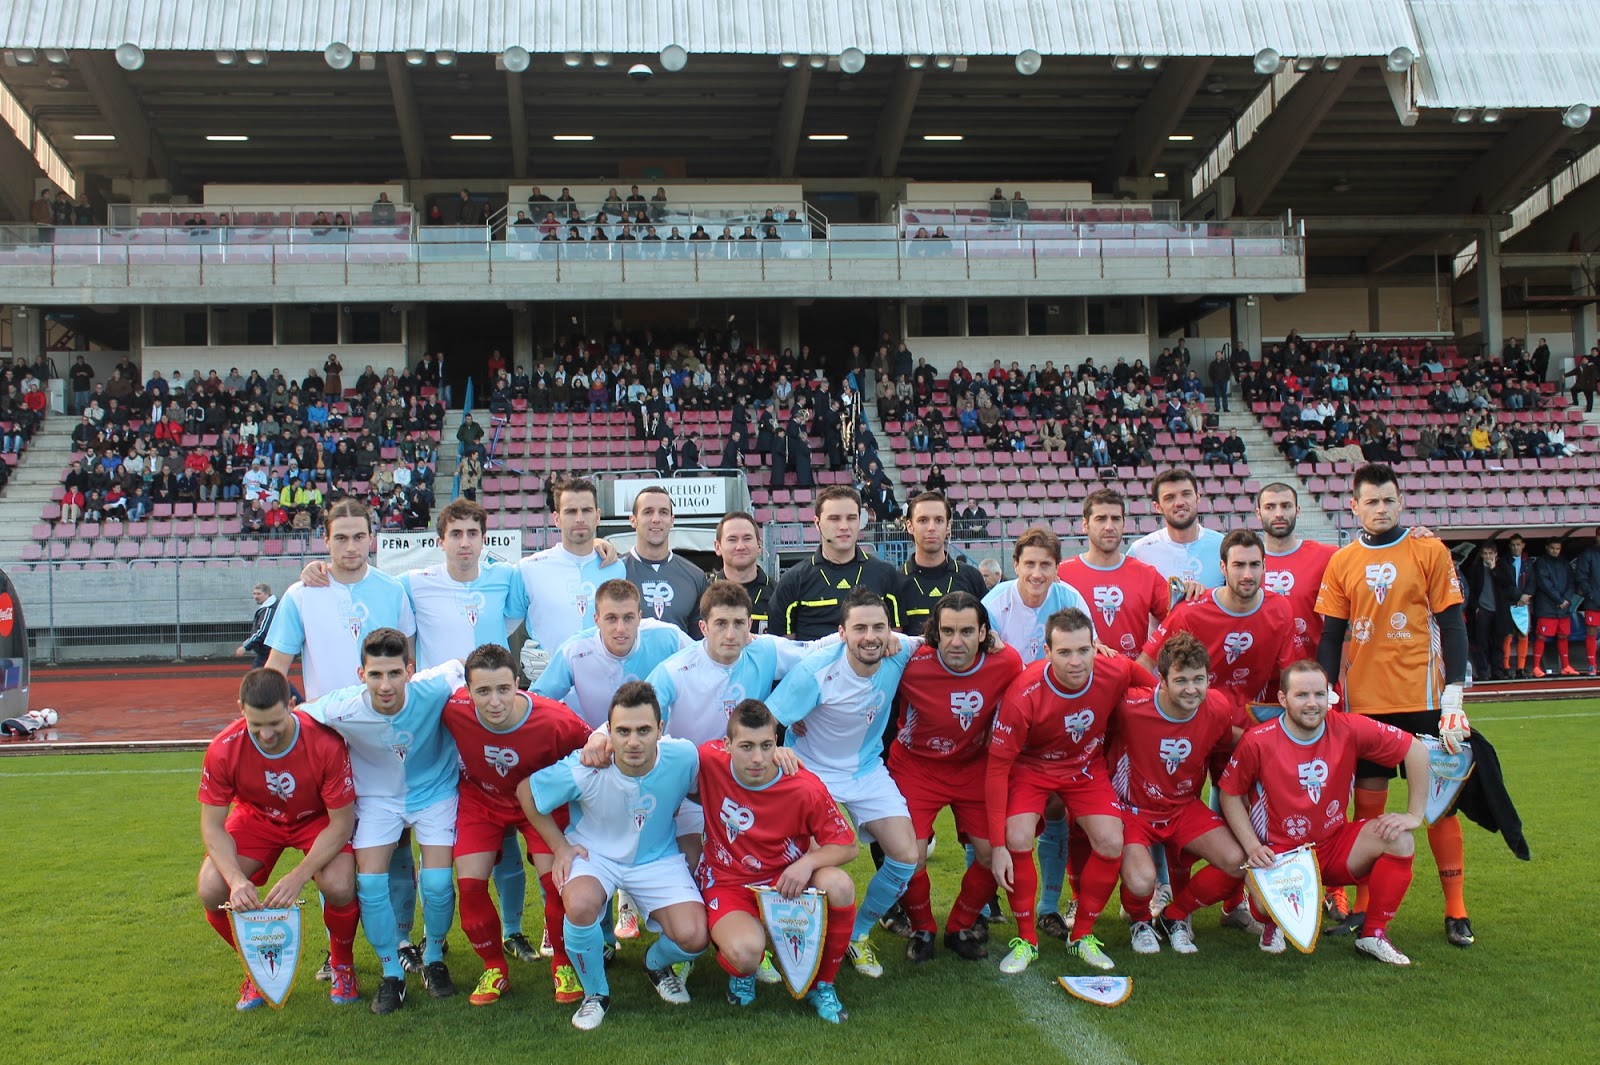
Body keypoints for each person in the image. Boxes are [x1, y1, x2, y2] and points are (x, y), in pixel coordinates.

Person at [1314, 463, 1476, 947]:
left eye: (1388, 500)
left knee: (1440, 808)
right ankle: (1364, 909)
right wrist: (1326, 688)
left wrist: (1453, 694)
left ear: (1401, 502)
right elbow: (1331, 635)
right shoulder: (1342, 561)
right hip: (1366, 705)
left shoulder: (1429, 549)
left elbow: (1452, 624)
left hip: (1424, 699)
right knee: (1369, 811)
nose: (1381, 508)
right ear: (1354, 507)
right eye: (1371, 501)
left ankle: (1456, 909)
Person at [522, 682, 708, 1031]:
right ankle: (595, 994)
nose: (633, 741)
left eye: (643, 730)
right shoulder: (587, 766)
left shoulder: (683, 757)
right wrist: (560, 846)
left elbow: (709, 785)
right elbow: (527, 792)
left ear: (660, 729)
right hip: (596, 855)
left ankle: (656, 963)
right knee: (579, 905)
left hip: (657, 859)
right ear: (609, 730)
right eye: (623, 731)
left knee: (695, 937)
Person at [298, 629, 466, 1013]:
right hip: (376, 800)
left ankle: (434, 959)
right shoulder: (342, 706)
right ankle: (392, 973)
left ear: (410, 670)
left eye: (394, 673)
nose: (385, 685)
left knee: (438, 881)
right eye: (375, 674)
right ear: (361, 674)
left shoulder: (435, 685)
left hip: (435, 792)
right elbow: (299, 717)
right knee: (371, 882)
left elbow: (463, 666)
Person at [1219, 660, 1428, 965]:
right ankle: (1270, 923)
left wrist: (1414, 814)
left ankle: (1373, 934)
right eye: (1302, 695)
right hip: (1280, 853)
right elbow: (1230, 794)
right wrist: (1252, 847)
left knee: (1401, 840)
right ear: (1283, 699)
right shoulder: (1258, 740)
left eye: (1319, 694)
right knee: (1264, 907)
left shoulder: (1347, 727)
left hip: (1333, 845)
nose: (1312, 703)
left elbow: (1415, 749)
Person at [767, 587, 926, 977]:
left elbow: (936, 638)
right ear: (842, 633)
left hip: (866, 770)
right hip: (813, 773)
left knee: (907, 856)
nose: (870, 637)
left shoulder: (900, 650)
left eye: (878, 627)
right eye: (860, 628)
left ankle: (858, 934)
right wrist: (777, 748)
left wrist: (992, 638)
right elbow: (766, 720)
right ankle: (797, 939)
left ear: (890, 629)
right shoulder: (816, 670)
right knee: (816, 868)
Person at [986, 608, 1141, 975]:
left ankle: (1082, 934)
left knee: (1111, 841)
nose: (1076, 661)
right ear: (1047, 652)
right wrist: (997, 845)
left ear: (1095, 647)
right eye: (1065, 652)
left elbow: (1150, 685)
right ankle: (1026, 939)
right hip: (1032, 769)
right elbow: (997, 769)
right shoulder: (1024, 692)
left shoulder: (1114, 669)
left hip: (1085, 768)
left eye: (1084, 650)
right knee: (1017, 836)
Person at [196, 669, 361, 1010]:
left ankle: (342, 965)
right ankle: (256, 970)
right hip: (257, 818)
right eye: (256, 725)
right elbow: (212, 827)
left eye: (275, 723)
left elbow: (342, 823)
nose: (267, 734)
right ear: (241, 709)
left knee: (339, 884)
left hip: (316, 818)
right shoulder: (223, 749)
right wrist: (236, 880)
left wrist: (298, 876)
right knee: (212, 888)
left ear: (291, 705)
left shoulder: (324, 742)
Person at [443, 643, 596, 1008]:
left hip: (541, 804)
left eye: (503, 689)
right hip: (481, 800)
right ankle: (494, 968)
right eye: (483, 691)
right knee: (470, 886)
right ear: (468, 691)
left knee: (557, 884)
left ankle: (563, 963)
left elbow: (593, 747)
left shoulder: (554, 718)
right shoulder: (453, 709)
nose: (494, 701)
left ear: (517, 684)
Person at [695, 700, 860, 1022]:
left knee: (840, 885)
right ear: (727, 745)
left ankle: (823, 984)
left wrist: (807, 863)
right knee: (745, 954)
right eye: (746, 746)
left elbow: (848, 845)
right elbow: (658, 752)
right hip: (728, 881)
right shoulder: (708, 760)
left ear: (777, 743)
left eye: (766, 746)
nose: (758, 758)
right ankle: (745, 971)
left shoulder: (803, 786)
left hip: (785, 881)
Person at [888, 593, 1024, 962]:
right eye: (947, 631)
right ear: (935, 632)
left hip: (974, 767)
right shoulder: (910, 662)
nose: (956, 641)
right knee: (910, 857)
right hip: (917, 767)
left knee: (992, 852)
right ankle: (923, 928)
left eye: (966, 631)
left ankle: (960, 925)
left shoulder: (1007, 662)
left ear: (983, 633)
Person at [1109, 633, 1245, 955]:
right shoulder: (1130, 708)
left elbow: (1227, 742)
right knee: (1142, 880)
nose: (1191, 689)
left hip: (1184, 808)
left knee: (1238, 863)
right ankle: (1140, 921)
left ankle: (1175, 916)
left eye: (1199, 679)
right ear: (1162, 680)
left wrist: (1275, 741)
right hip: (1134, 811)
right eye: (1181, 680)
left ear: (1209, 678)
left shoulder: (1217, 707)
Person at [264, 498, 415, 701]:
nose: (351, 547)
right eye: (341, 538)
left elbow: (410, 660)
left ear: (371, 537)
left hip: (386, 716)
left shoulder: (394, 590)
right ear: (326, 540)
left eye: (359, 537)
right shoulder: (300, 595)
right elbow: (276, 668)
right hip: (325, 717)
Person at [532, 578, 694, 729]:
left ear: (639, 617)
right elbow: (535, 703)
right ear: (596, 619)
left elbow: (703, 660)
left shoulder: (669, 637)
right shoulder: (573, 650)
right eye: (611, 618)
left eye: (628, 618)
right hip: (595, 745)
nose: (620, 628)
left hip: (659, 743)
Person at [515, 478, 626, 681]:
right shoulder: (529, 569)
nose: (579, 518)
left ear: (598, 516)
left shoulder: (617, 568)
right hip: (550, 688)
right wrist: (517, 663)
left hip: (606, 686)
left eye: (586, 510)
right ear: (557, 518)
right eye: (571, 511)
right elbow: (503, 626)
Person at [768, 486, 905, 639]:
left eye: (851, 518)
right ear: (817, 523)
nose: (844, 527)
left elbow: (894, 640)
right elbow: (785, 648)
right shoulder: (793, 580)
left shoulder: (885, 574)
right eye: (834, 518)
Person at [1057, 489, 1171, 659]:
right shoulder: (1062, 574)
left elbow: (1177, 619)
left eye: (1116, 519)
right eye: (1101, 519)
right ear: (1085, 525)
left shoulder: (1147, 574)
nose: (1109, 526)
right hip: (1078, 673)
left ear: (1123, 524)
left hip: (1131, 673)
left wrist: (1148, 658)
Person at [981, 527, 1092, 664]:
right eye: (1030, 564)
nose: (1037, 574)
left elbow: (1090, 646)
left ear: (1056, 568)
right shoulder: (992, 604)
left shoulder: (1072, 599)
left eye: (1045, 565)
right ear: (1016, 565)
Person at [1256, 483, 1340, 660]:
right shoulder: (1245, 562)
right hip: (1263, 670)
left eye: (1286, 506)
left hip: (1312, 667)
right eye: (1270, 507)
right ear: (1258, 513)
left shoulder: (1328, 556)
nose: (1278, 513)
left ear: (1298, 510)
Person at [897, 492, 989, 638]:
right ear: (910, 526)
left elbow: (986, 632)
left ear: (948, 526)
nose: (931, 528)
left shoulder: (972, 577)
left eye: (939, 520)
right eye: (923, 520)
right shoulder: (896, 582)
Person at [623, 487, 709, 635]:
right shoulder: (616, 571)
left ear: (672, 520)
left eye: (663, 512)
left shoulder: (695, 576)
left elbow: (700, 641)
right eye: (648, 512)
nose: (656, 519)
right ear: (633, 520)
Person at [1127, 468, 1225, 592]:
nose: (1179, 503)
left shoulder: (1223, 545)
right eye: (1169, 498)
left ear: (1197, 498)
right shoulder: (1140, 551)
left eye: (1186, 494)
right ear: (1158, 507)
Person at [710, 511, 774, 633]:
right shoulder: (703, 593)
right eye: (732, 539)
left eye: (747, 538)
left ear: (759, 545)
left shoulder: (778, 594)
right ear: (717, 547)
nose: (740, 546)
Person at [1529, 539, 1579, 677]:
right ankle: (1536, 667)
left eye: (1557, 548)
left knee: (1563, 635)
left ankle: (1566, 666)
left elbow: (1571, 582)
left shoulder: (1565, 563)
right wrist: (1560, 599)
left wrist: (1566, 599)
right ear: (1547, 547)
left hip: (1563, 608)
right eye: (1552, 548)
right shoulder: (1541, 563)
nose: (1555, 551)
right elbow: (1544, 584)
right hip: (1547, 607)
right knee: (1541, 636)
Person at [1496, 533, 1537, 677]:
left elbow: (1532, 581)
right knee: (1508, 635)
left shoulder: (1528, 562)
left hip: (1524, 603)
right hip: (1509, 602)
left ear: (1523, 545)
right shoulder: (1503, 562)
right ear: (1509, 546)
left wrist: (1526, 595)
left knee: (1523, 634)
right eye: (1513, 545)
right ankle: (1506, 668)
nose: (1516, 548)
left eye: (1518, 545)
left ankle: (1521, 668)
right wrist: (1519, 595)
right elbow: (1504, 583)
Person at [234, 582, 279, 667]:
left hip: (268, 650)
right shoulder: (270, 606)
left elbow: (262, 631)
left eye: (259, 594)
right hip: (270, 650)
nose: (255, 596)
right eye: (254, 594)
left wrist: (245, 646)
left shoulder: (269, 609)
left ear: (267, 594)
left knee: (259, 673)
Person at [1575, 536, 1600, 676]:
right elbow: (1581, 577)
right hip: (1594, 601)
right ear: (1597, 537)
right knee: (1592, 631)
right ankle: (1592, 665)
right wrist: (1591, 595)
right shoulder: (1588, 554)